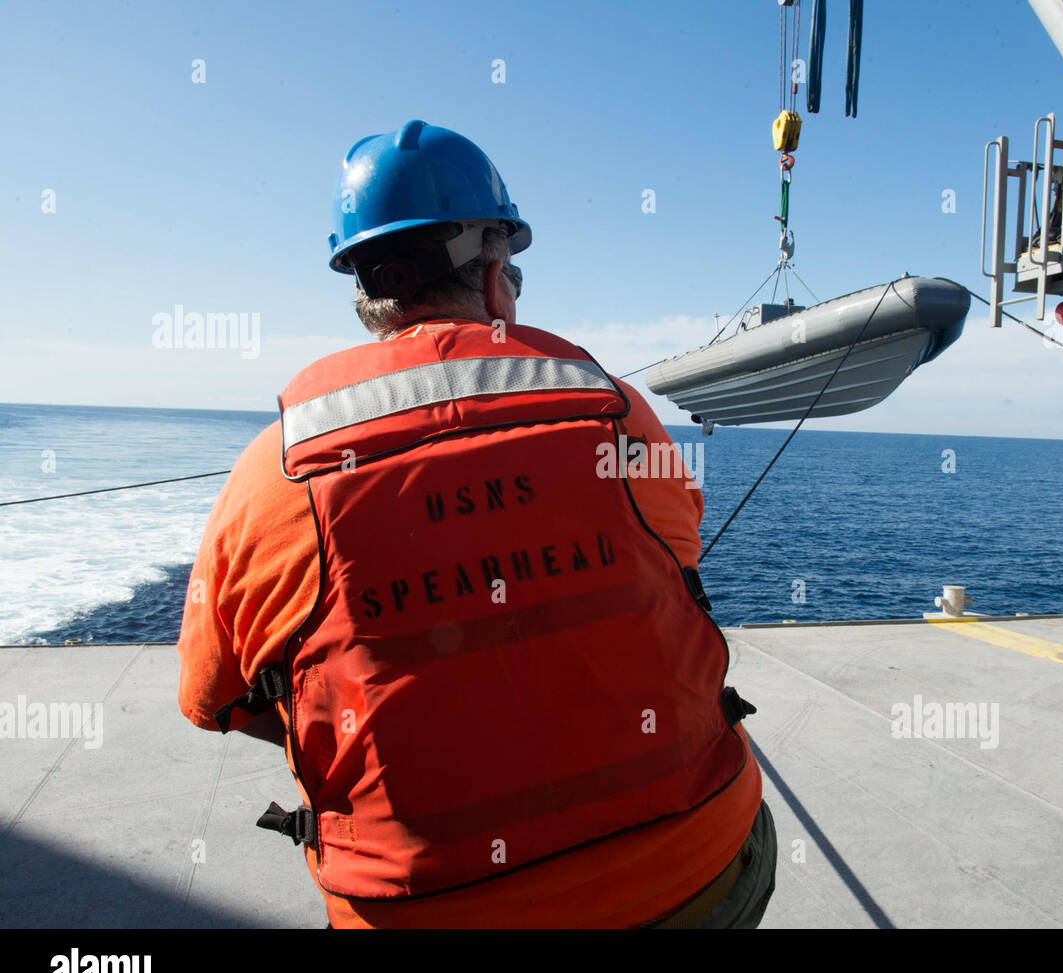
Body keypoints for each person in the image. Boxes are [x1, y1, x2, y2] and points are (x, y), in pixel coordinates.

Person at [177, 120, 775, 929]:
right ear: (494, 280)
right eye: (514, 273)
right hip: (697, 872)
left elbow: (213, 699)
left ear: (367, 296)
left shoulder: (270, 476)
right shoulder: (622, 417)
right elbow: (674, 563)